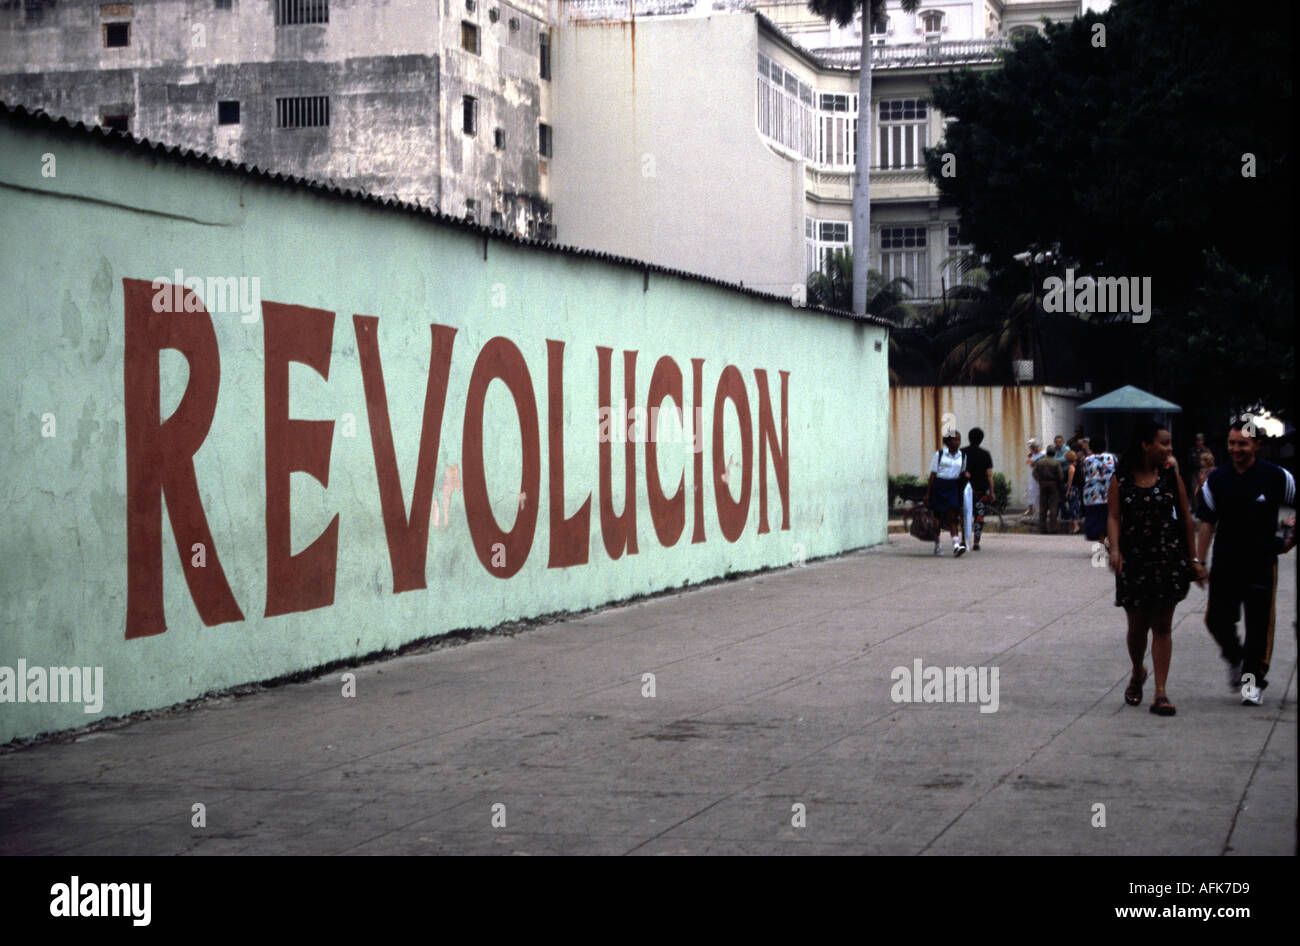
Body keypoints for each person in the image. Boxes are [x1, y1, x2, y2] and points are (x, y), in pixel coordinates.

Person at [1195, 421, 1297, 706]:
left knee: (1258, 627)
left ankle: (1251, 684)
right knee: (1215, 619)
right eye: (1232, 443)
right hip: (1226, 560)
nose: (1236, 449)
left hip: (1262, 562)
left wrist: (1291, 538)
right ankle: (1235, 658)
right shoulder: (1217, 479)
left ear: (1256, 445)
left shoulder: (1277, 477)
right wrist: (1198, 561)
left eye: (1242, 444)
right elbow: (1206, 522)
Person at [1108, 420, 1203, 717]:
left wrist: (1194, 559)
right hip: (1134, 561)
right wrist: (1115, 549)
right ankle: (1138, 671)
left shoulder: (1170, 475)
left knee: (1162, 626)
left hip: (1167, 560)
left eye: (1170, 443)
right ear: (1145, 445)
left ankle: (1161, 694)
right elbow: (1113, 517)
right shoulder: (1121, 479)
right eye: (1164, 443)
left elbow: (1186, 517)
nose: (1169, 449)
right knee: (1137, 629)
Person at [924, 430, 967, 557]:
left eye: (958, 440)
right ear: (947, 442)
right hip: (939, 485)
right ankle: (937, 544)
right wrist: (928, 493)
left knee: (953, 517)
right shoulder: (940, 454)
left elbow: (962, 472)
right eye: (954, 439)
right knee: (937, 518)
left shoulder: (962, 456)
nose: (957, 442)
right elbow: (933, 474)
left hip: (952, 486)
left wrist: (966, 475)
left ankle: (956, 545)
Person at [962, 427, 994, 551]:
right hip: (980, 490)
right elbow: (989, 475)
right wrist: (992, 492)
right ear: (981, 439)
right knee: (979, 516)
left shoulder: (962, 452)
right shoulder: (985, 454)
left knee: (964, 514)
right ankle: (976, 541)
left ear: (969, 438)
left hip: (964, 489)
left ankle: (963, 539)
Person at [1081, 437, 1117, 541]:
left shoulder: (1087, 460)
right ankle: (1108, 540)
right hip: (1110, 493)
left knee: (1095, 519)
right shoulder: (1112, 457)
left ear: (1091, 447)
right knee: (1108, 518)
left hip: (1092, 495)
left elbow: (1084, 475)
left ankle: (1101, 540)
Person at [1033, 447, 1063, 534]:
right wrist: (1057, 482)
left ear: (1047, 452)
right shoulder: (1056, 462)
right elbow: (1060, 476)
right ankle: (1053, 528)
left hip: (1043, 484)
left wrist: (1039, 480)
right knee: (1053, 506)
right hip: (1053, 485)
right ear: (1054, 453)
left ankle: (1042, 528)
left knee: (1043, 506)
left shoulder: (1040, 462)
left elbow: (1034, 473)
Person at [1060, 449, 1083, 534]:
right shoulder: (1078, 466)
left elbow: (1070, 479)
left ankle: (1076, 526)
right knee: (1075, 506)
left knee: (1072, 506)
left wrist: (1068, 490)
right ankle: (1072, 527)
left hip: (1072, 488)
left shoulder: (1071, 467)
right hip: (1077, 488)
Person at [1024, 439, 1045, 519]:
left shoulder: (1043, 454)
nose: (1031, 449)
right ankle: (1030, 508)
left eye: (1032, 447)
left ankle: (1041, 509)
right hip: (1032, 475)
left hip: (1040, 475)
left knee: (1040, 492)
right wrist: (1030, 458)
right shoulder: (1032, 454)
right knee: (1031, 490)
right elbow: (1030, 462)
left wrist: (1034, 463)